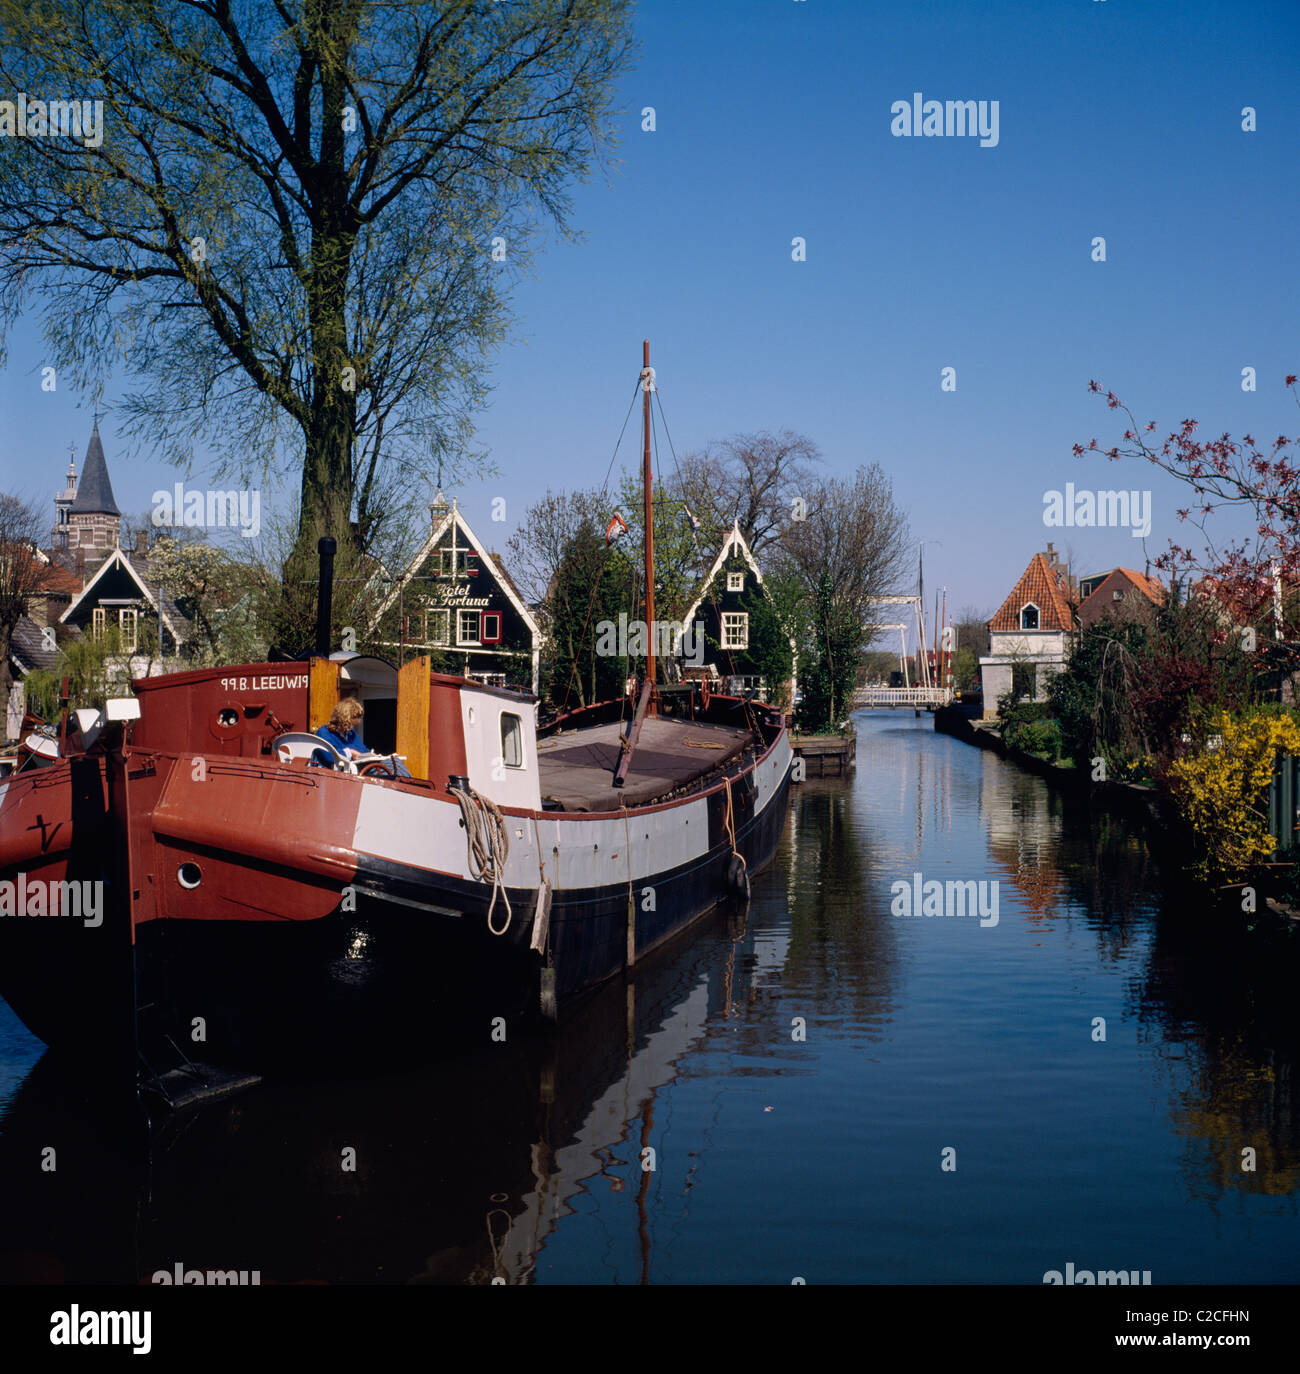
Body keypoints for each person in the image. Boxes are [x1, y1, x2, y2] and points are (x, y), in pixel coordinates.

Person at [313, 698, 368, 767]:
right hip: (335, 772)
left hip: (355, 769)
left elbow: (363, 750)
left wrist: (372, 756)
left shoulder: (351, 733)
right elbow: (328, 756)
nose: (352, 727)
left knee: (384, 764)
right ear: (342, 719)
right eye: (350, 723)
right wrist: (350, 753)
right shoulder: (324, 733)